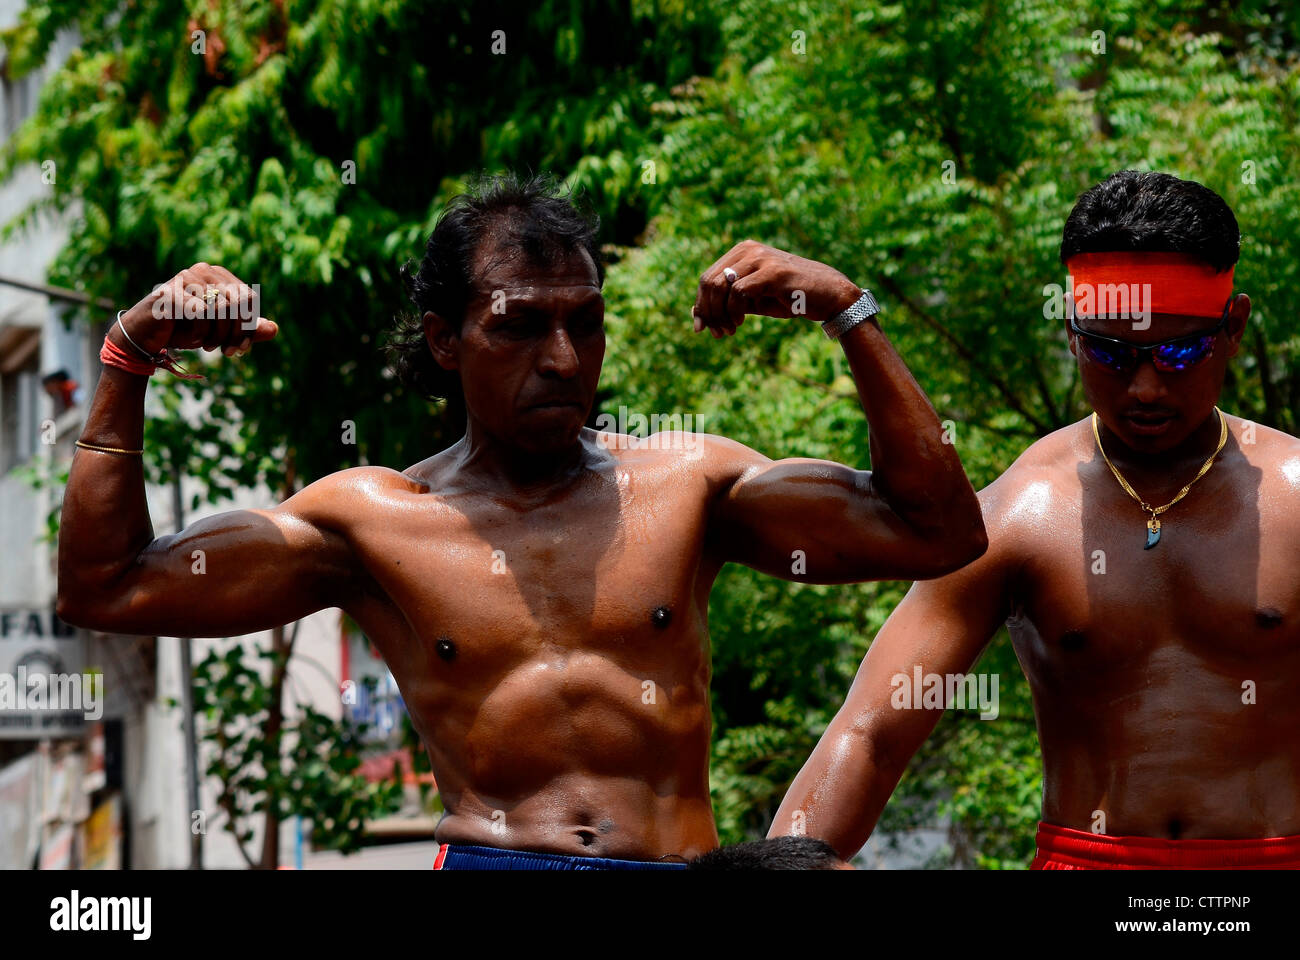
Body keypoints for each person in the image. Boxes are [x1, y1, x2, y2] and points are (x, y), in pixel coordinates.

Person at [57, 173, 986, 870]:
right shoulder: (374, 523)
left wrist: (844, 309)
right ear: (442, 340)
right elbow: (109, 584)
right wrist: (126, 360)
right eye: (519, 326)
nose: (561, 357)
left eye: (585, 323)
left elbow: (938, 532)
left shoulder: (688, 486)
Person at [771, 170, 1300, 870]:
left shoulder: (1293, 497)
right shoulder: (1023, 511)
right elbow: (872, 732)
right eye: (1111, 352)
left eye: (1178, 352)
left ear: (1233, 327)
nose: (1144, 387)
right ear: (1072, 333)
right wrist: (783, 863)